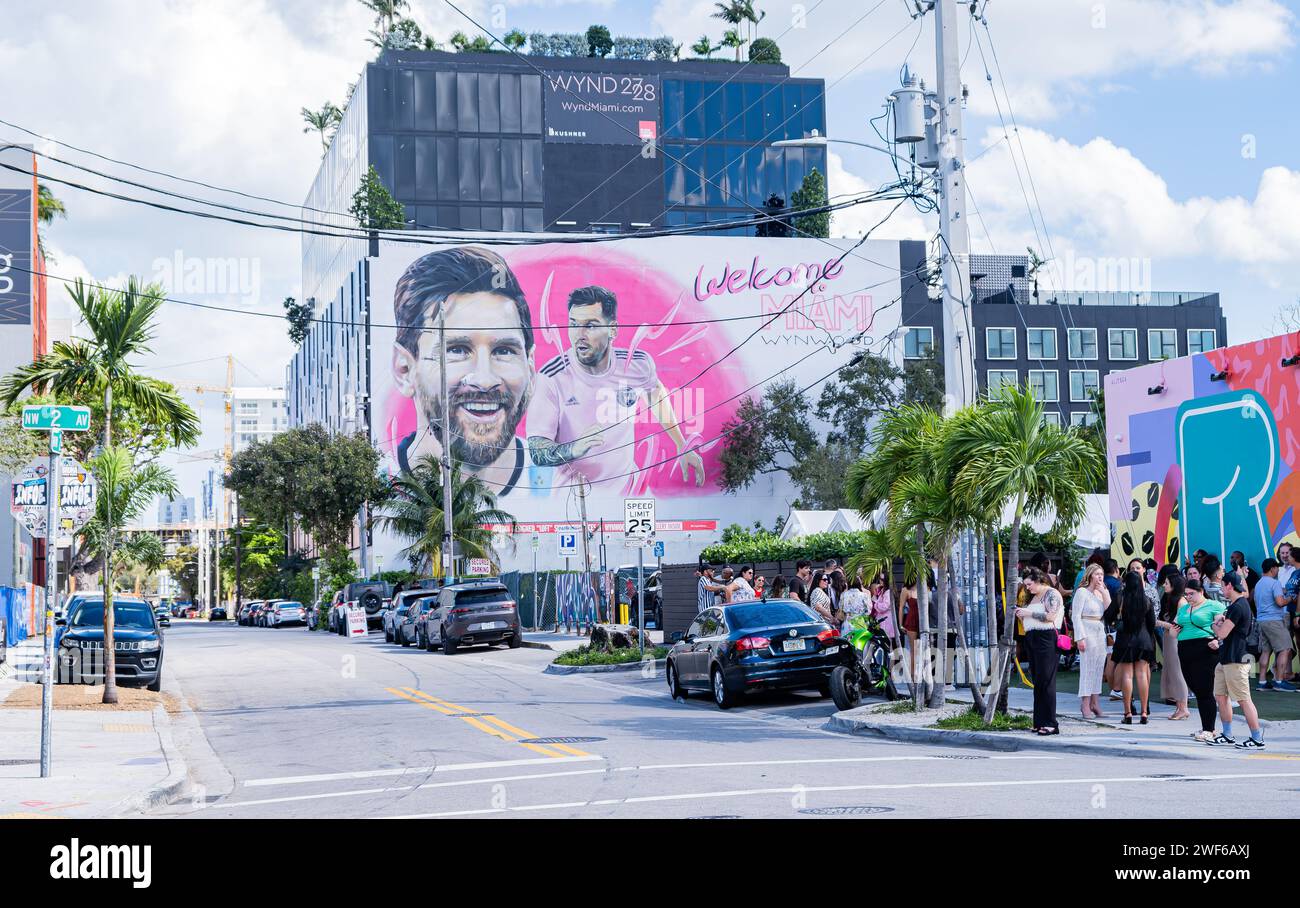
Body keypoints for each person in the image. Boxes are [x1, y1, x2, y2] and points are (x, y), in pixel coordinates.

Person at [390, 245, 536, 496]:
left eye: (504, 351)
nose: (484, 380)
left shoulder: (568, 489)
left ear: (531, 370)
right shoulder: (377, 496)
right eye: (457, 350)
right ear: (404, 369)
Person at [526, 285, 706, 488]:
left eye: (591, 326)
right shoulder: (551, 377)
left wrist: (681, 444)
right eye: (574, 324)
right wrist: (573, 449)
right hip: (575, 501)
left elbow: (655, 394)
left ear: (612, 330)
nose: (579, 334)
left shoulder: (636, 364)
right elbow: (536, 449)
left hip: (630, 491)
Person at [1207, 575, 1265, 748]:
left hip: (1236, 659)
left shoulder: (1238, 606)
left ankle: (1257, 738)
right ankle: (1227, 734)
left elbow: (1222, 633)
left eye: (1223, 586)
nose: (1221, 590)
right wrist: (1220, 623)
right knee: (1221, 696)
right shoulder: (1237, 605)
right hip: (1227, 659)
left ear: (1230, 586)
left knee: (1243, 699)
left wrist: (1215, 624)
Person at [1016, 567, 1065, 735]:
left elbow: (1051, 616)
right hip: (1032, 638)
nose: (1027, 587)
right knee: (1038, 682)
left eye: (1029, 584)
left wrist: (1028, 613)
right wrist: (1023, 615)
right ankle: (1039, 721)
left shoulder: (1052, 594)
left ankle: (1051, 722)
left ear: (1038, 581)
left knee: (1046, 681)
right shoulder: (1034, 596)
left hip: (1046, 639)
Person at [1177, 578, 1227, 743]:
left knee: (1204, 690)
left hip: (1205, 650)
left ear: (1201, 592)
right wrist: (1171, 629)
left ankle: (1209, 729)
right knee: (1197, 689)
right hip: (1185, 649)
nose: (1189, 597)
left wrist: (1218, 640)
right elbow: (1174, 629)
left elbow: (1226, 626)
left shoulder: (1214, 605)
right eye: (1186, 594)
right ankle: (1207, 726)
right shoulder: (1184, 608)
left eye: (1192, 594)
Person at [1106, 571, 1157, 724]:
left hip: (1125, 640)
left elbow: (1108, 616)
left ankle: (1127, 713)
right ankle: (1144, 713)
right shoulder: (1146, 600)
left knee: (1127, 676)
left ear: (1126, 583)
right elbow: (1152, 623)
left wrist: (1116, 622)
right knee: (1142, 675)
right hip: (1143, 640)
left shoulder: (1120, 597)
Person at [1072, 564, 1111, 719]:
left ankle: (1095, 703)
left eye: (1101, 574)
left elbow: (1109, 610)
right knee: (1087, 668)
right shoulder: (1082, 592)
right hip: (1086, 630)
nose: (1100, 577)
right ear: (1089, 576)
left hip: (1099, 630)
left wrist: (1103, 591)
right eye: (1097, 574)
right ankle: (1085, 704)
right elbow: (1075, 616)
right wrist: (1080, 637)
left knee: (1098, 668)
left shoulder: (1101, 592)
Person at [1253, 557, 1293, 691]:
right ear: (1272, 569)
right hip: (1274, 620)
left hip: (1262, 621)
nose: (1277, 570)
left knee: (1266, 651)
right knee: (1285, 648)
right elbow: (1280, 602)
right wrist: (1290, 598)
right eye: (1276, 568)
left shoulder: (1259, 584)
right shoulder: (1274, 583)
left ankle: (1262, 681)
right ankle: (1279, 681)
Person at [1156, 569, 1191, 719]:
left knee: (1177, 673)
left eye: (1167, 583)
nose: (1164, 585)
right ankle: (1179, 707)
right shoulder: (1171, 599)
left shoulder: (1181, 601)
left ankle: (1183, 707)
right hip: (1169, 638)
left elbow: (1178, 625)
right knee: (1171, 672)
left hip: (1175, 639)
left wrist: (1157, 622)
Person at [900, 576, 920, 685]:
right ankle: (913, 675)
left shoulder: (925, 587)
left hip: (923, 621)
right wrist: (900, 624)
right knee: (913, 650)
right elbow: (901, 607)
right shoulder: (906, 590)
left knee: (922, 649)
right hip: (911, 620)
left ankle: (922, 673)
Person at [868, 572, 897, 641]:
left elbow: (884, 607)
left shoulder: (888, 592)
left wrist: (876, 604)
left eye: (882, 579)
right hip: (881, 620)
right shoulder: (882, 590)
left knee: (887, 642)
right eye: (880, 579)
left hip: (886, 620)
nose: (880, 581)